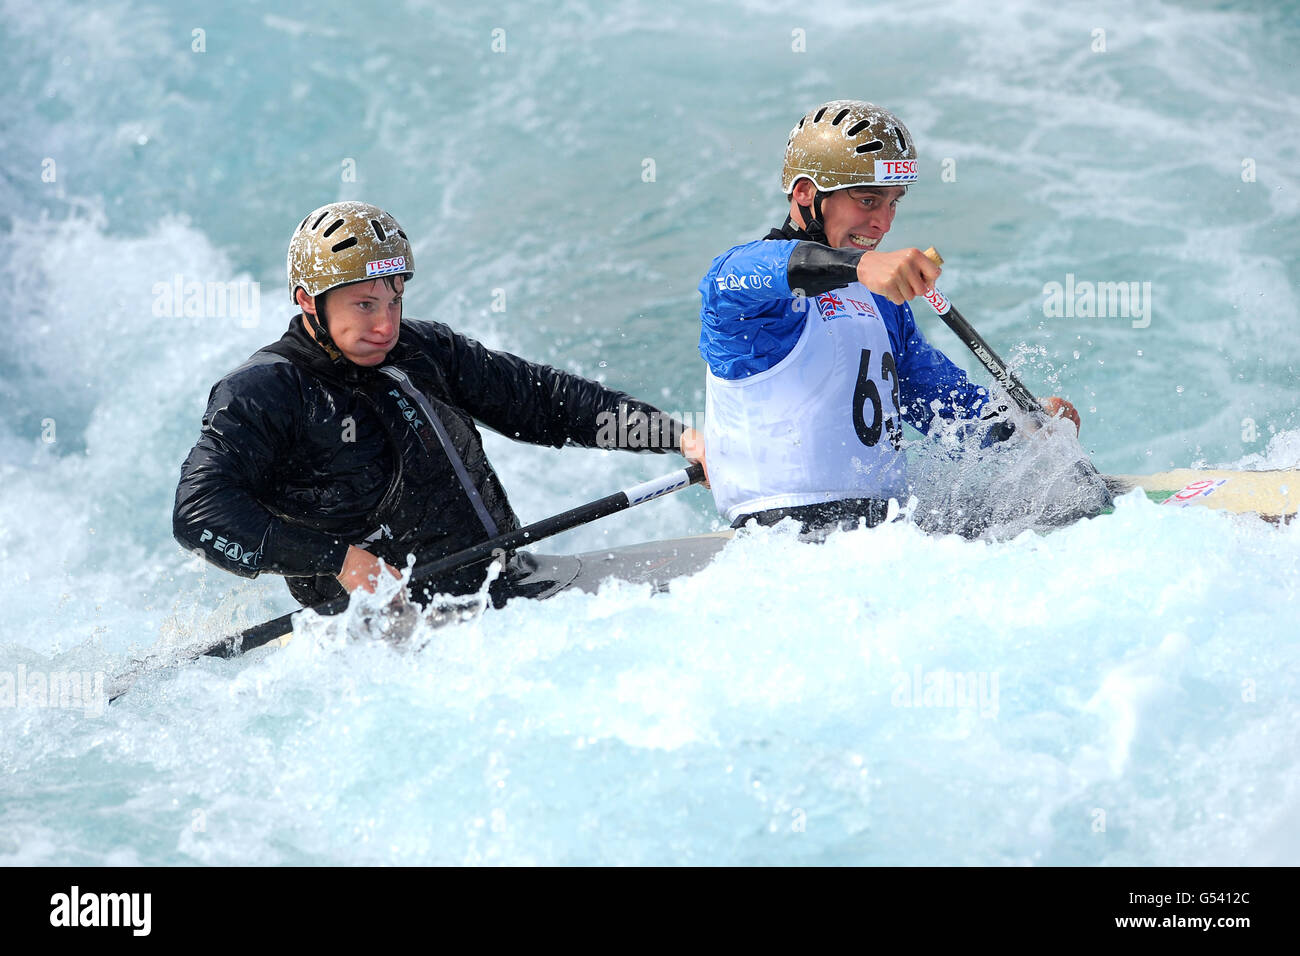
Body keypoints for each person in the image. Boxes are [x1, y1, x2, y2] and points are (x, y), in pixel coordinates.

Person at [175, 200, 705, 606]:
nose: (385, 324)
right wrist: (335, 559)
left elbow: (544, 402)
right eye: (364, 305)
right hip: (381, 628)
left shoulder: (424, 349)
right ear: (308, 299)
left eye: (394, 300)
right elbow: (199, 515)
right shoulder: (263, 391)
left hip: (502, 585)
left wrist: (677, 436)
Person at [698, 100, 1079, 530]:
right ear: (805, 193)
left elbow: (943, 408)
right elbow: (751, 270)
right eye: (867, 200)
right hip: (780, 535)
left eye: (893, 203)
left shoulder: (881, 302)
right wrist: (857, 265)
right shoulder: (745, 291)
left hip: (887, 535)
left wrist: (1021, 424)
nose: (883, 223)